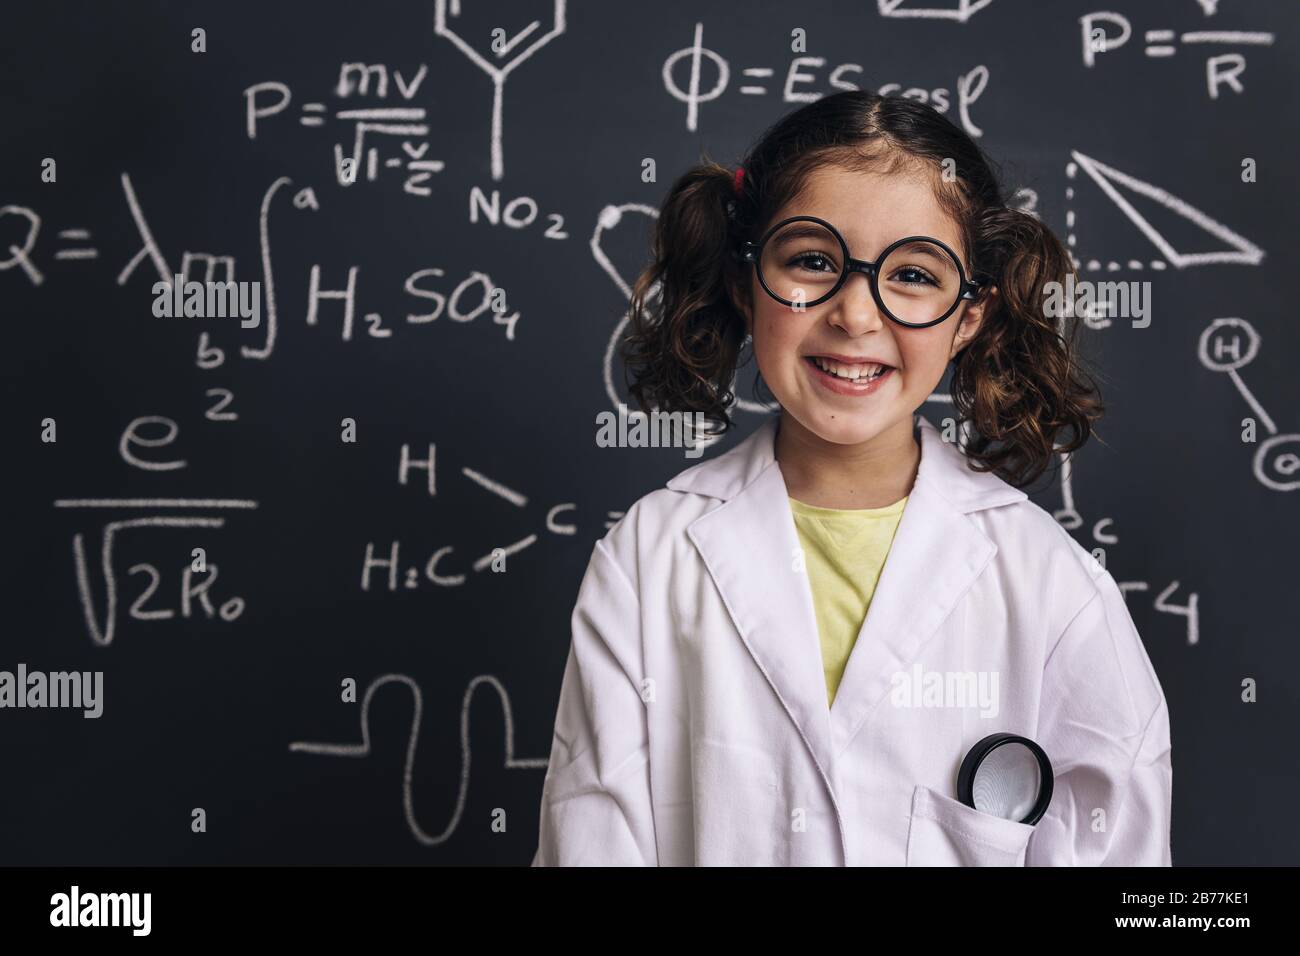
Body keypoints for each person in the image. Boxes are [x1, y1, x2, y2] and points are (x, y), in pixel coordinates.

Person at [532, 90, 1172, 866]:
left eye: (912, 275)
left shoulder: (1054, 589)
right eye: (811, 262)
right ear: (744, 282)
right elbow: (593, 839)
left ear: (968, 317)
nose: (856, 315)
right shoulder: (647, 559)